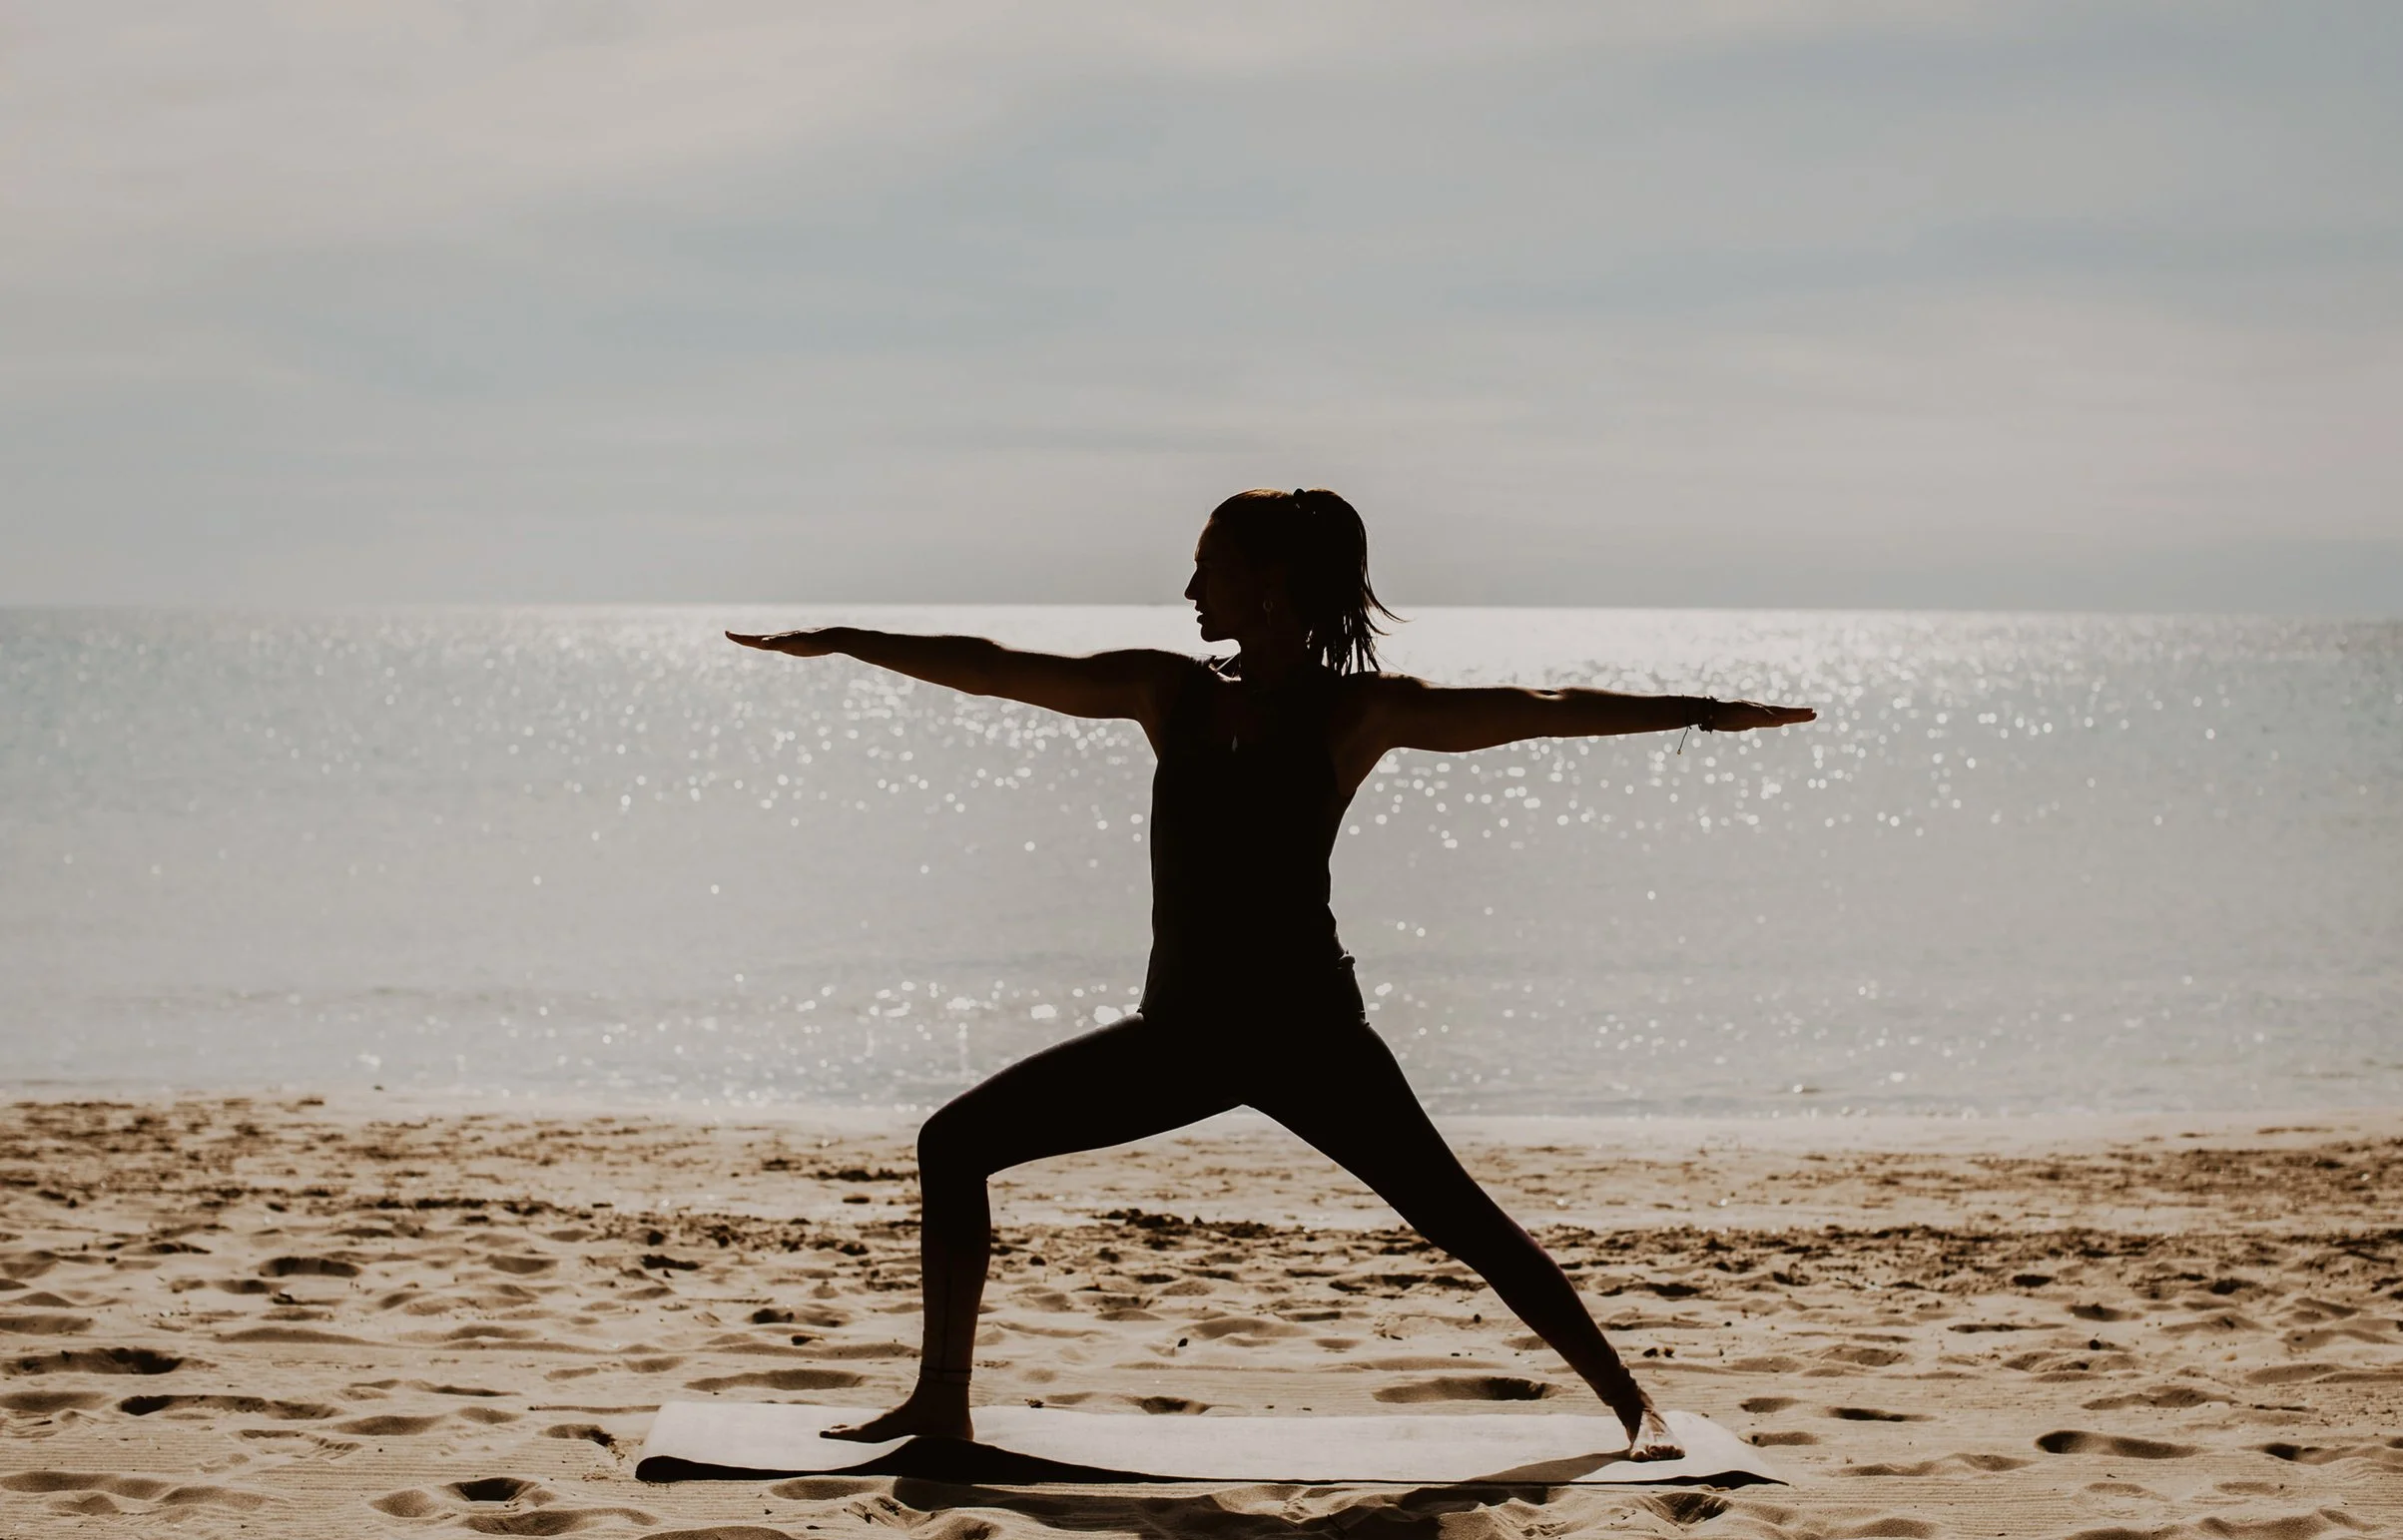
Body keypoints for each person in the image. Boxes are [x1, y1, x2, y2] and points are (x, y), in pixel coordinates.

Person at [728, 488, 1814, 1458]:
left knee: (1462, 1219)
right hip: (1183, 1036)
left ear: (1271, 579)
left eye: (1210, 563)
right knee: (953, 1141)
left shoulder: (1357, 712)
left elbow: (1544, 710)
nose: (1190, 586)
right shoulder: (1170, 693)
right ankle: (941, 1401)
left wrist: (1703, 711)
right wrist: (843, 638)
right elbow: (1002, 666)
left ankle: (1633, 1407)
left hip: (1309, 1036)